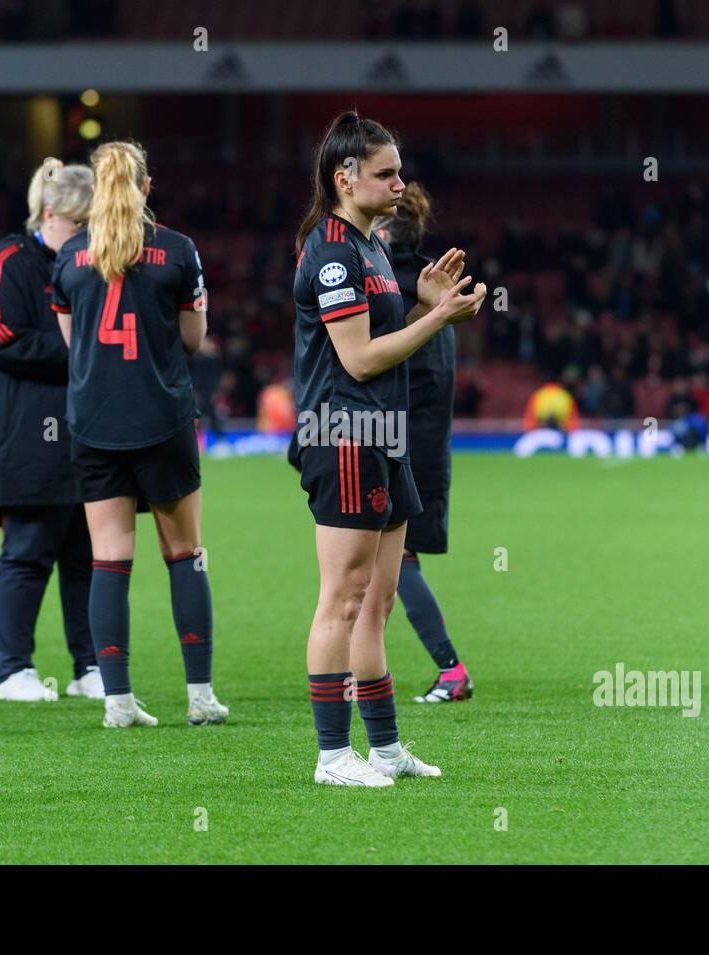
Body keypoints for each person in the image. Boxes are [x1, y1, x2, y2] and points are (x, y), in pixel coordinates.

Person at [292, 111, 485, 787]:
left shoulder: (370, 245)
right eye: (386, 173)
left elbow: (381, 340)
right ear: (345, 178)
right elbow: (360, 359)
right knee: (342, 599)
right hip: (344, 434)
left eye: (399, 171)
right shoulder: (333, 251)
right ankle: (330, 755)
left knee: (375, 604)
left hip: (384, 433)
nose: (401, 183)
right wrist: (436, 318)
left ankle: (385, 747)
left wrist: (420, 305)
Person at [51, 141, 228, 728]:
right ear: (146, 187)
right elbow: (194, 338)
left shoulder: (71, 256)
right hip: (163, 420)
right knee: (185, 556)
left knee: (109, 560)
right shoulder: (178, 250)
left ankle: (118, 702)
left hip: (95, 424)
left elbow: (73, 344)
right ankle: (200, 697)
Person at [0, 158, 105, 702]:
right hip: (23, 435)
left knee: (85, 554)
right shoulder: (9, 262)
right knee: (27, 552)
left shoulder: (89, 266)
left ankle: (89, 666)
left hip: (83, 432)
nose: (87, 233)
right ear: (49, 212)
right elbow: (5, 342)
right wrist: (85, 350)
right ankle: (14, 671)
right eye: (79, 222)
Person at [369, 183, 474, 703]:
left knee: (393, 559)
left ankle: (450, 668)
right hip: (427, 443)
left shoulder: (391, 284)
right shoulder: (435, 279)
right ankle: (357, 668)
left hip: (399, 442)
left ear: (385, 231)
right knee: (380, 562)